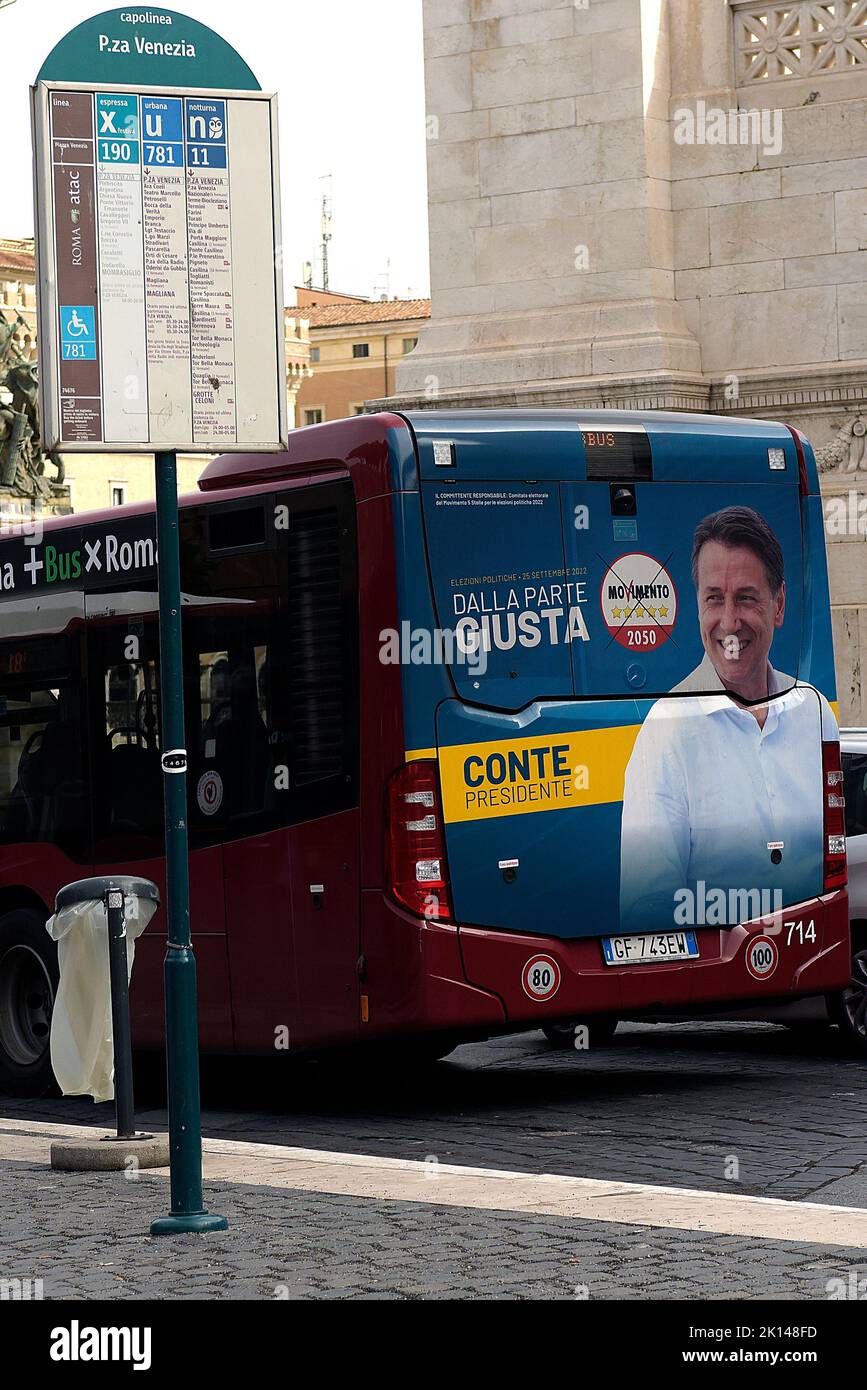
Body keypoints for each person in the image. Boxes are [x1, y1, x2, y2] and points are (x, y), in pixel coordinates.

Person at [619, 506, 836, 933]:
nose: (730, 621)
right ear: (698, 606)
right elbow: (647, 907)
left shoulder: (814, 714)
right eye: (714, 598)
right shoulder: (666, 730)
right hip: (719, 992)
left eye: (747, 597)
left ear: (779, 604)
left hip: (814, 978)